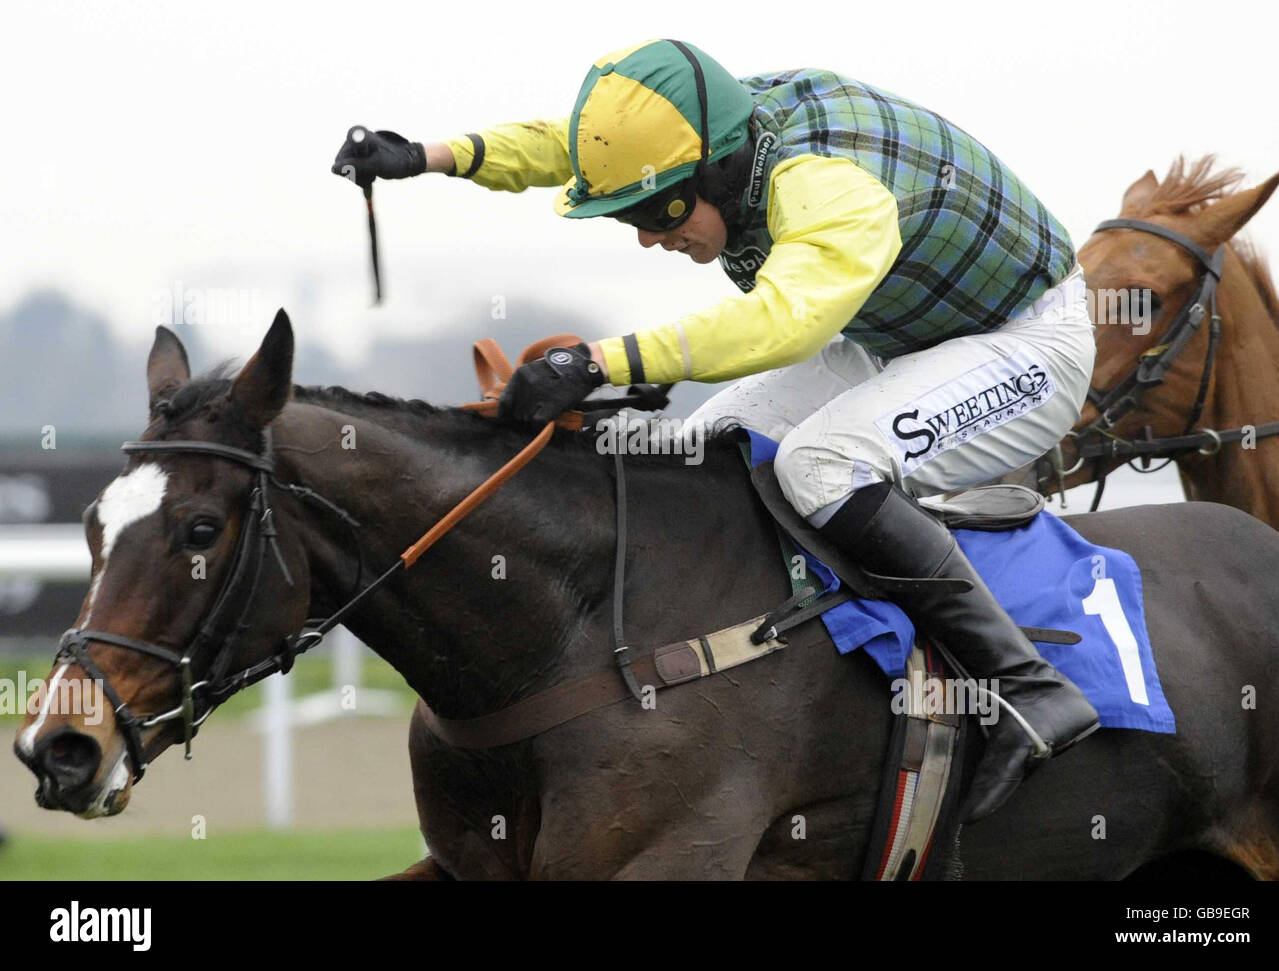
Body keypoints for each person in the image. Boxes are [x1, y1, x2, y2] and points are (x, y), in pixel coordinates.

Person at [331, 38, 1099, 821]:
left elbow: (786, 324)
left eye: (654, 211)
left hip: (1027, 344)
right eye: (629, 214)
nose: (646, 236)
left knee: (821, 467)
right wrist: (427, 157)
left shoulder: (826, 185)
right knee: (694, 454)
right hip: (895, 338)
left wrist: (601, 361)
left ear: (717, 172)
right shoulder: (718, 130)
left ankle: (1026, 686)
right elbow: (565, 147)